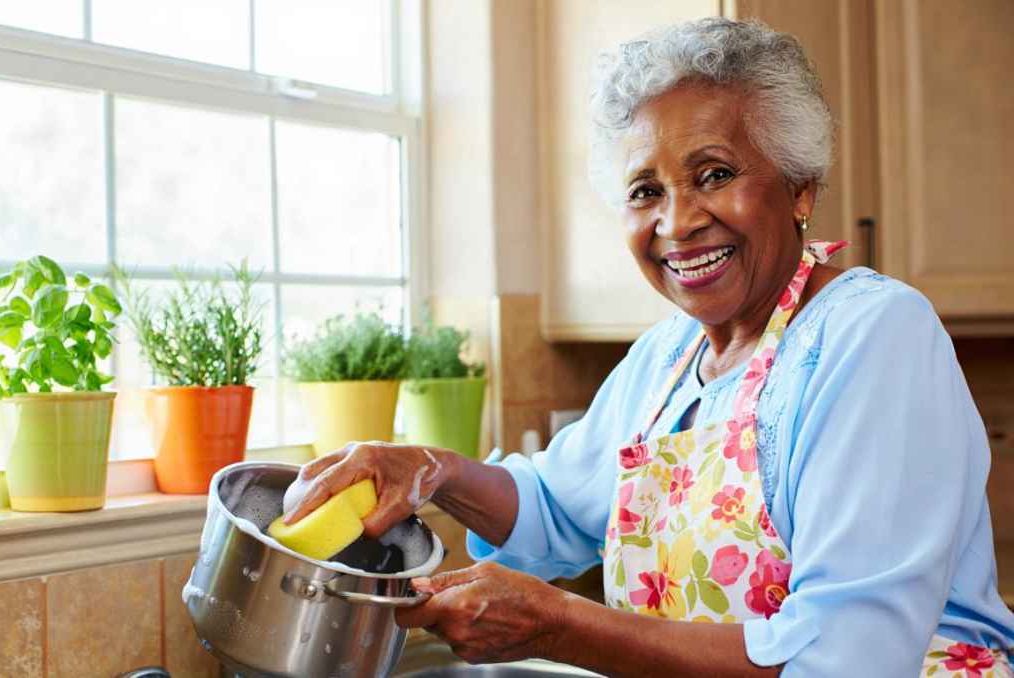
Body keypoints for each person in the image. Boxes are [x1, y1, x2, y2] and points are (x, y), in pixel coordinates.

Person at [282, 17, 1014, 677]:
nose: (678, 220)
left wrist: (559, 624)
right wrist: (431, 469)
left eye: (715, 175)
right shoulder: (665, 360)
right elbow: (552, 512)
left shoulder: (874, 336)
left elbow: (848, 658)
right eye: (644, 190)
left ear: (799, 188)